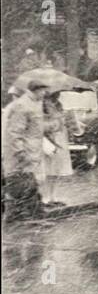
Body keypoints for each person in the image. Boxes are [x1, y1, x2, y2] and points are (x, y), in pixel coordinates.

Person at [2, 81, 50, 220]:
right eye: (43, 90)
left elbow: (35, 128)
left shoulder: (34, 104)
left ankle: (31, 212)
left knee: (30, 182)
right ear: (35, 90)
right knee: (20, 182)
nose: (45, 93)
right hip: (23, 154)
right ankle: (16, 214)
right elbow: (15, 133)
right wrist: (21, 152)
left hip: (32, 152)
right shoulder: (23, 105)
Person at [40, 91, 76, 207]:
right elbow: (40, 124)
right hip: (49, 139)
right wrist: (53, 124)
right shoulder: (42, 105)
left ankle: (53, 197)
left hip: (59, 138)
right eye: (56, 93)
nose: (59, 95)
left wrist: (66, 120)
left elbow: (61, 121)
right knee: (47, 169)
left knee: (56, 170)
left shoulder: (58, 105)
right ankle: (45, 198)